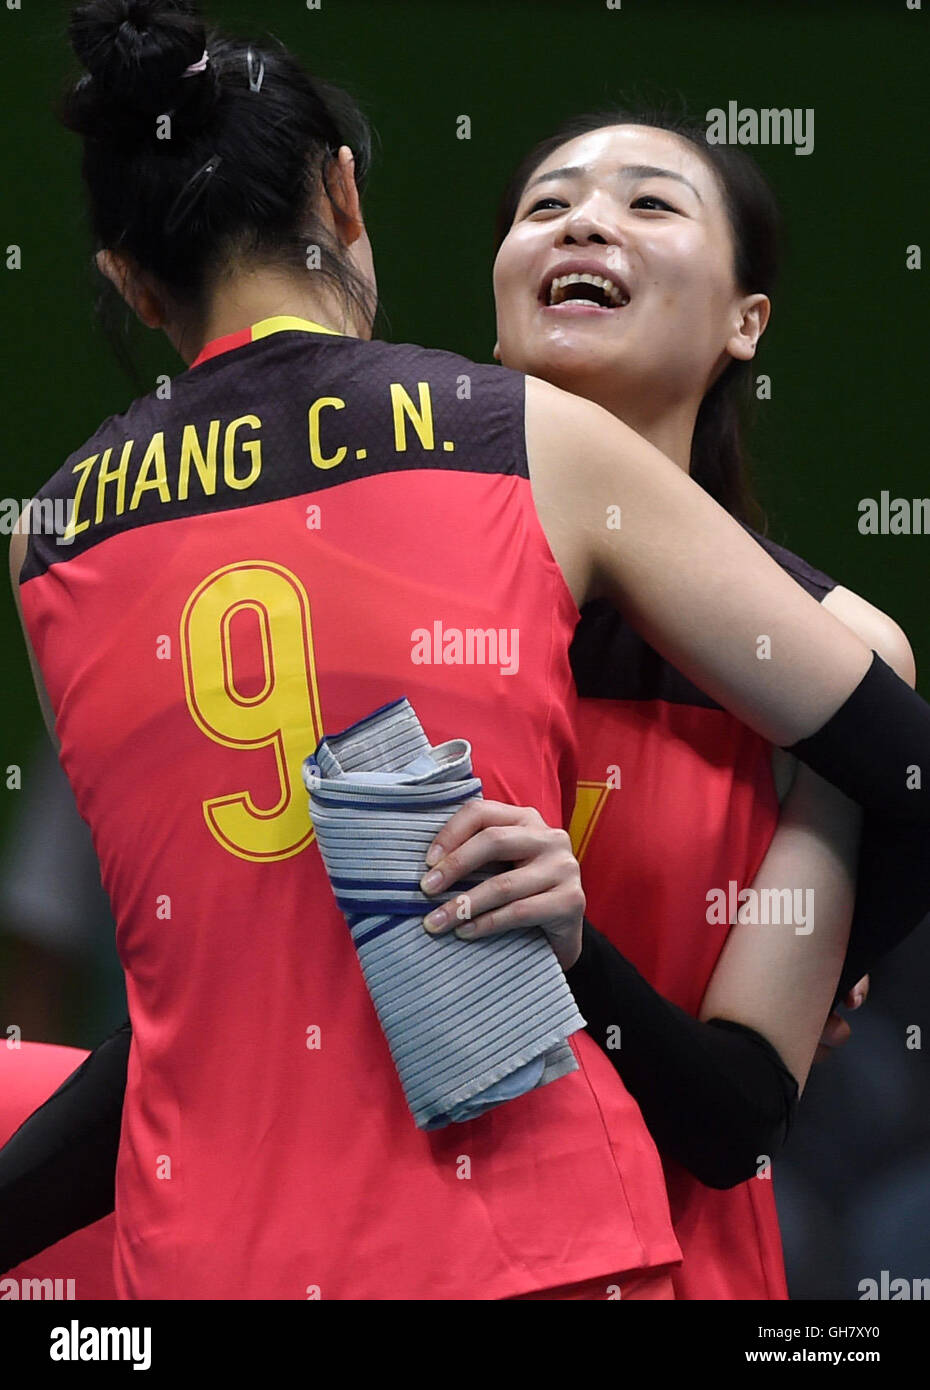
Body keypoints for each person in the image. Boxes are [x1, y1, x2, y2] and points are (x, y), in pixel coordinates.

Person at [5, 1, 930, 1299]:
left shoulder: (836, 656)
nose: (584, 222)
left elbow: (731, 1120)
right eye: (545, 203)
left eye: (650, 203)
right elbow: (233, 1010)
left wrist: (819, 948)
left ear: (748, 320)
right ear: (351, 203)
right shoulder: (436, 530)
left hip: (642, 1257)